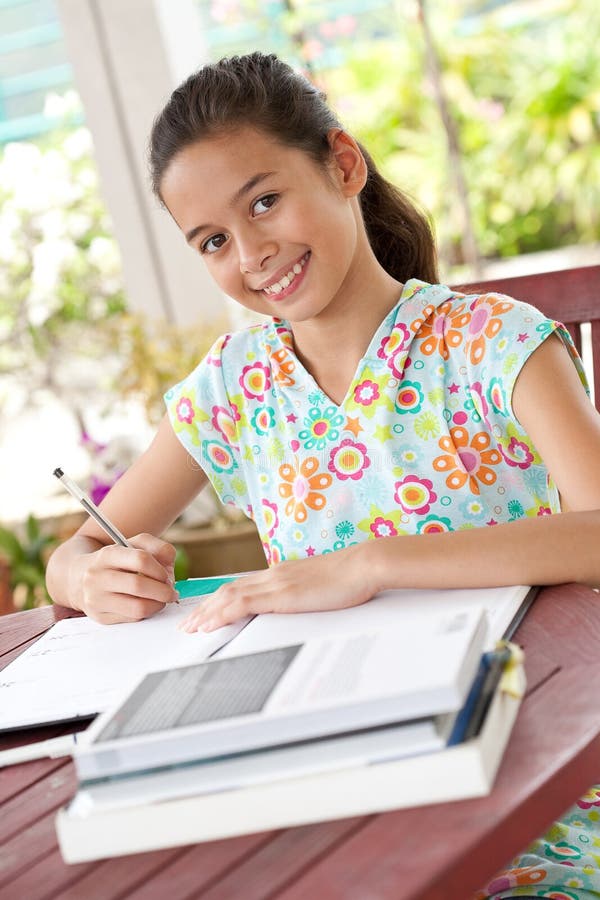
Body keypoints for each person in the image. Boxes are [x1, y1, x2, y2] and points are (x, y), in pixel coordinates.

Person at [46, 52, 600, 899]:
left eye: (264, 201)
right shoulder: (234, 387)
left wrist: (370, 563)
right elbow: (74, 552)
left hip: (526, 767)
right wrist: (92, 574)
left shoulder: (493, 342)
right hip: (329, 781)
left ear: (343, 165)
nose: (252, 253)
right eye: (214, 241)